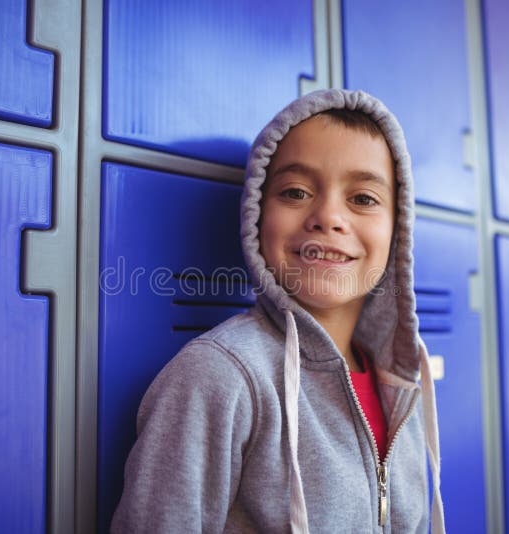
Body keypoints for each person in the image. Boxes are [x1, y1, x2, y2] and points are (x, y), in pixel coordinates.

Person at [112, 89, 444, 533]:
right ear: (255, 216)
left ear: (397, 230)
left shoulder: (398, 381)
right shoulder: (219, 377)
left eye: (363, 198)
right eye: (296, 192)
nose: (328, 216)